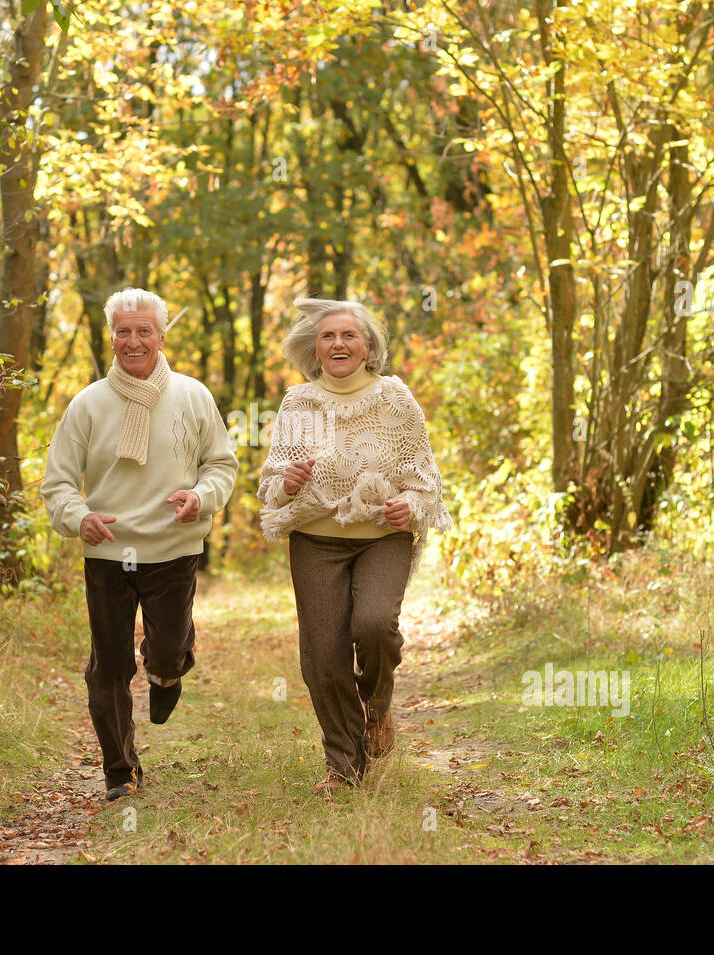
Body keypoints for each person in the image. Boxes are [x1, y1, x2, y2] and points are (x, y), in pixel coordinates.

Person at [42, 288, 239, 801]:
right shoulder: (87, 404)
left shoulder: (193, 396)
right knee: (108, 665)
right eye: (124, 332)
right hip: (108, 552)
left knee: (170, 652)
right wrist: (77, 517)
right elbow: (58, 482)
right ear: (112, 337)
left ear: (161, 336)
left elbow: (222, 465)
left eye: (143, 331)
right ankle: (119, 770)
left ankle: (167, 673)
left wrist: (201, 496)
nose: (133, 341)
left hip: (173, 548)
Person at [259, 297, 452, 795]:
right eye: (328, 336)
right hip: (315, 538)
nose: (338, 343)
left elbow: (424, 483)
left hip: (382, 536)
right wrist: (291, 482)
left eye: (349, 335)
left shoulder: (395, 400)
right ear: (315, 348)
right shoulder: (298, 404)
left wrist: (408, 507)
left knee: (374, 624)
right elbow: (274, 489)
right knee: (323, 654)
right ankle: (345, 767)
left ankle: (378, 704)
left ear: (368, 346)